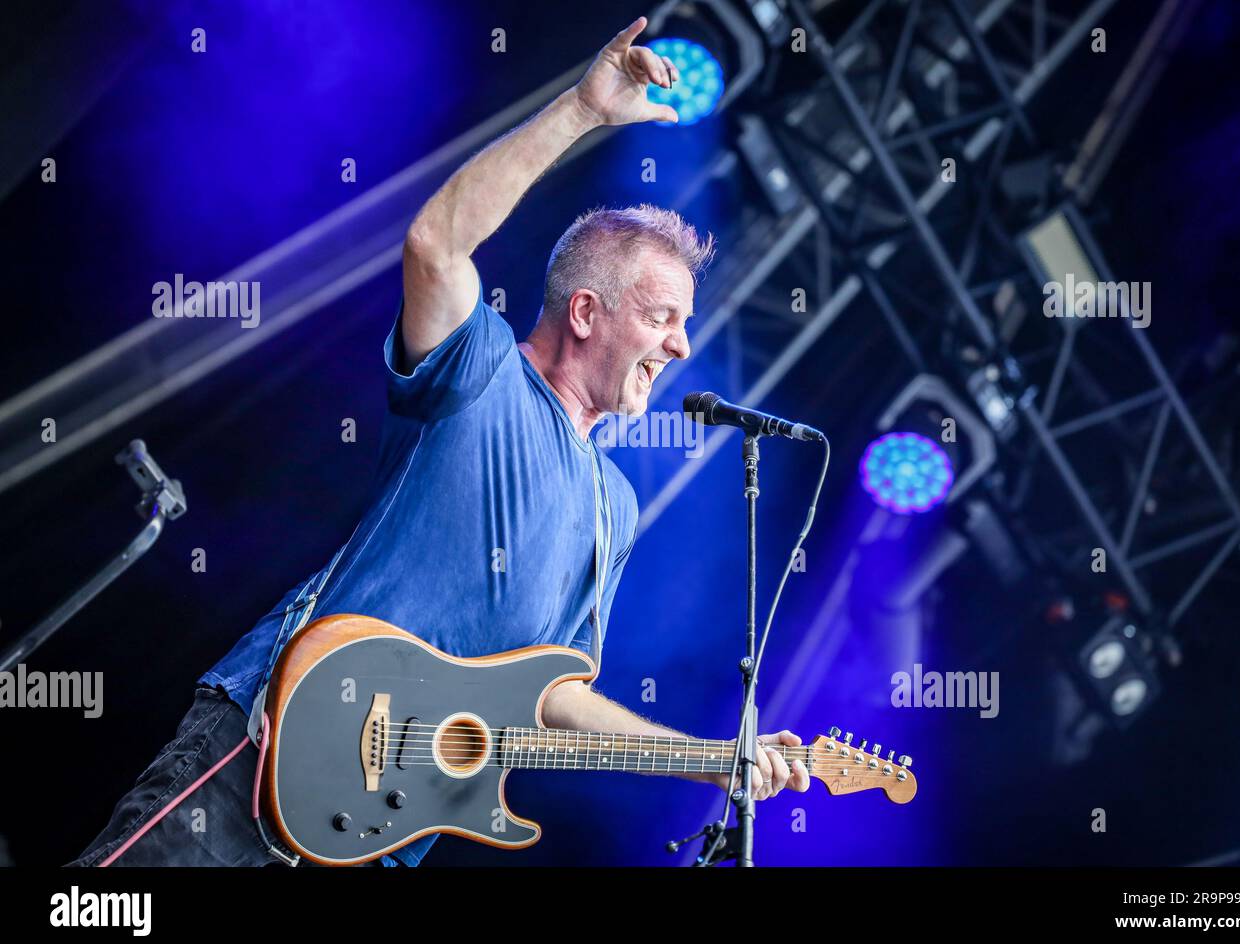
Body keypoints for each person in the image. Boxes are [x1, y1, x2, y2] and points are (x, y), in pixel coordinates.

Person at [69, 16, 808, 869]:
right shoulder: (484, 366)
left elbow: (553, 697)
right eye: (662, 317)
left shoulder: (616, 505)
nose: (682, 346)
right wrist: (580, 111)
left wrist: (719, 763)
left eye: (686, 325)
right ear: (585, 312)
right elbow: (437, 243)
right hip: (267, 751)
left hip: (373, 836)